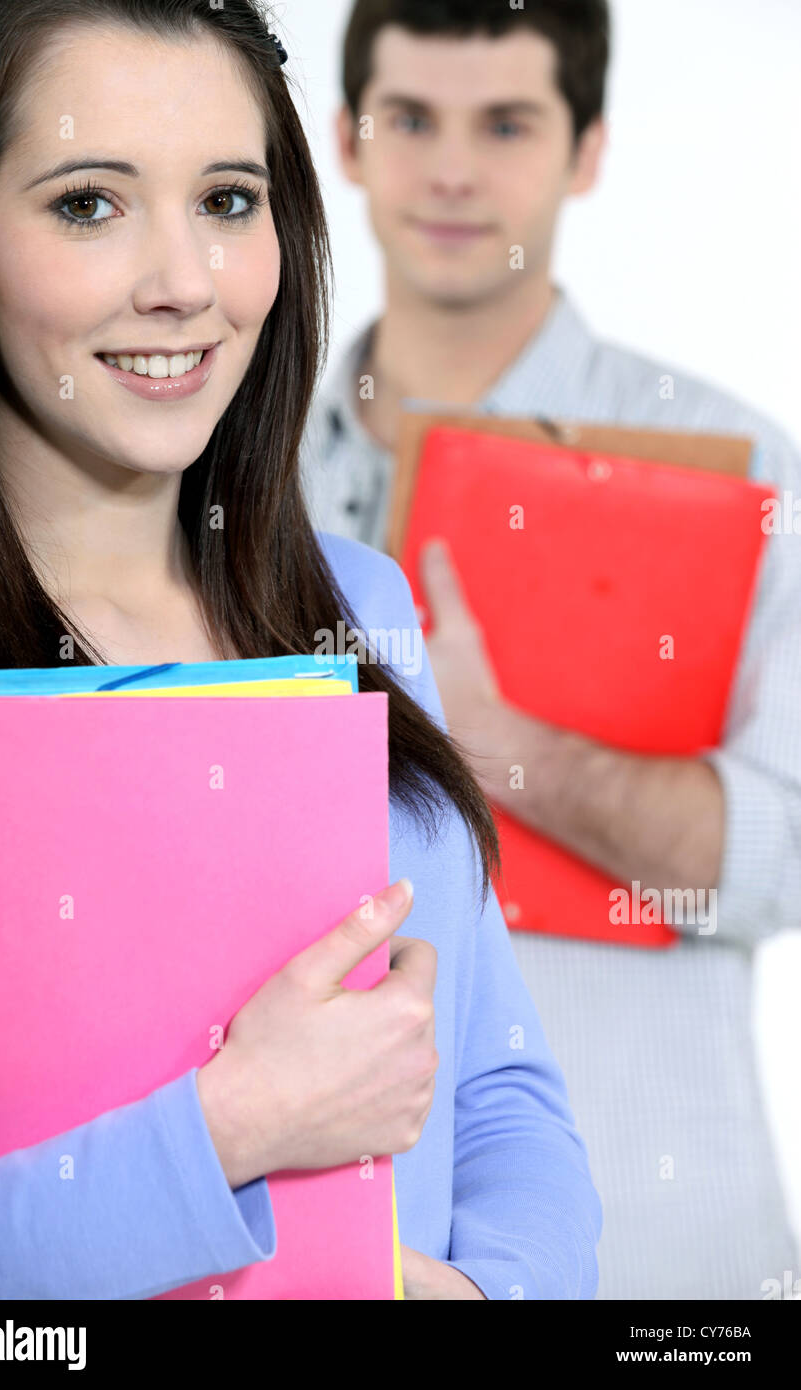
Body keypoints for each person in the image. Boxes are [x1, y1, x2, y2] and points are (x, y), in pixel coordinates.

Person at [0, 0, 601, 1301]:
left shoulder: (359, 601)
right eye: (89, 204)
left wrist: (489, 1297)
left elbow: (499, 1082)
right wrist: (233, 1125)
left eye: (229, 202)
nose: (185, 280)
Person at [300, 0, 801, 1299]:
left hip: (654, 1241)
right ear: (347, 141)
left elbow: (787, 854)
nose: (452, 171)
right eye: (410, 119)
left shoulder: (743, 467)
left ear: (585, 151)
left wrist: (512, 759)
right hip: (310, 1241)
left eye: (506, 123)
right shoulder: (225, 469)